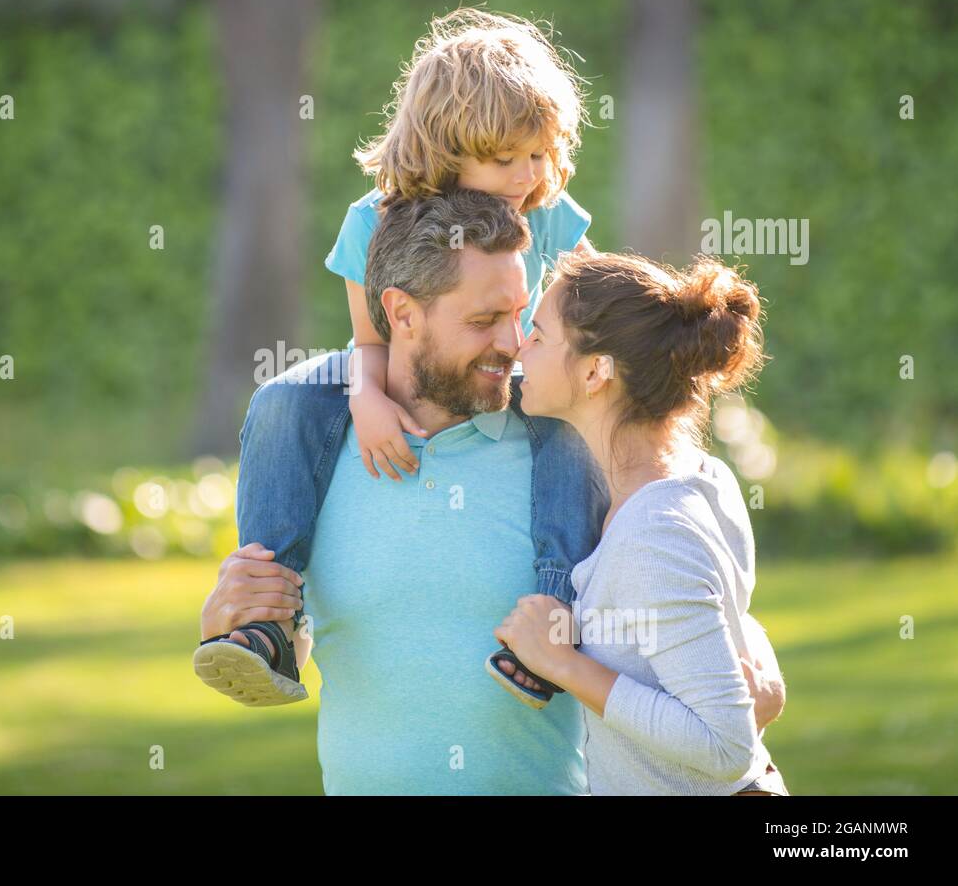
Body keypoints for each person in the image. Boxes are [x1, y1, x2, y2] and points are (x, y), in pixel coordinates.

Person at [197, 191, 785, 794]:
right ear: (401, 315)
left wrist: (753, 656)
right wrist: (237, 617)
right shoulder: (310, 445)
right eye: (483, 321)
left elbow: (686, 585)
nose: (511, 344)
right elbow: (332, 641)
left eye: (522, 316)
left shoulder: (574, 441)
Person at [194, 7, 607, 709]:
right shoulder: (374, 220)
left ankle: (549, 620)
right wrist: (367, 399)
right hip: (397, 368)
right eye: (503, 158)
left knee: (568, 444)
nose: (525, 175)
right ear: (445, 150)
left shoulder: (547, 212)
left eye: (538, 153)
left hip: (512, 367)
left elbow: (593, 303)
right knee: (284, 401)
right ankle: (267, 620)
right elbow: (369, 341)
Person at [494, 250, 790, 795]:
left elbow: (725, 746)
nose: (518, 349)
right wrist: (763, 678)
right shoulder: (705, 475)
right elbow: (726, 619)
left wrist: (562, 664)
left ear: (594, 371)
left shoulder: (654, 531)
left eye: (537, 335)